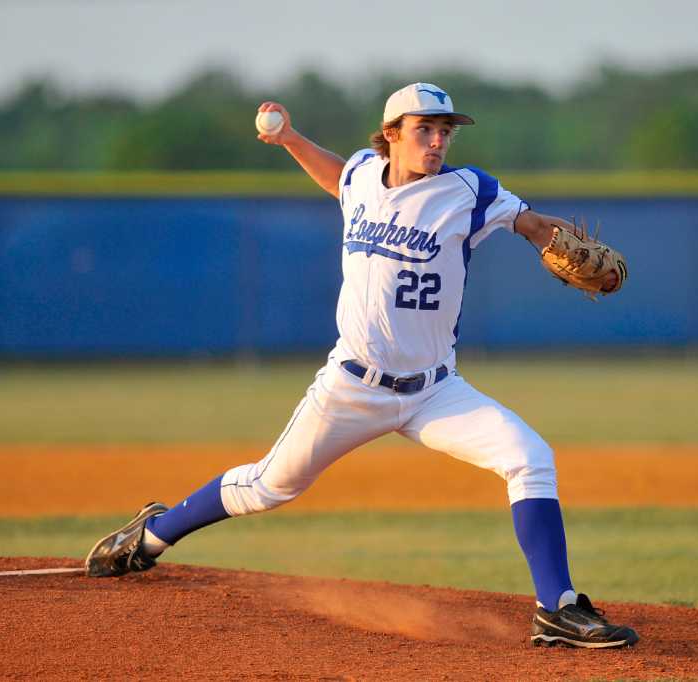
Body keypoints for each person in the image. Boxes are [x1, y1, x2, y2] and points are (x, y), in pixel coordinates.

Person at [86, 83, 637, 649]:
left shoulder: (468, 190)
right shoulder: (361, 177)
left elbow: (532, 224)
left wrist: (554, 239)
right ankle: (151, 536)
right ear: (391, 134)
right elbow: (336, 177)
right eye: (425, 128)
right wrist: (291, 139)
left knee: (529, 458)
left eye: (446, 130)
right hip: (352, 387)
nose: (439, 140)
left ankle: (558, 608)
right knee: (269, 486)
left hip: (436, 390)